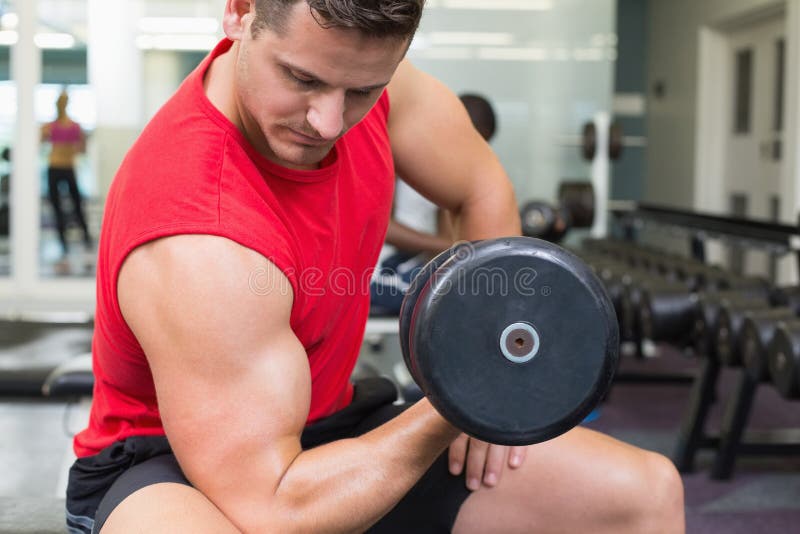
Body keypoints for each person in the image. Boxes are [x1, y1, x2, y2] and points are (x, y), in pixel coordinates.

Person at [66, 1, 685, 533]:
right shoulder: (198, 228)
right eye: (301, 78)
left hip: (333, 422)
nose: (328, 122)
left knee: (643, 494)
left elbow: (479, 186)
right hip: (170, 467)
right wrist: (469, 394)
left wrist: (493, 351)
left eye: (360, 91)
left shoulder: (379, 86)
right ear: (238, 12)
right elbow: (277, 509)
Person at [371, 93, 496, 316]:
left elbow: (448, 236)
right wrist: (450, 246)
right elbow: (382, 227)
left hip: (412, 267)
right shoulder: (401, 152)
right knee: (453, 300)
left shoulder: (447, 170)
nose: (476, 154)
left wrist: (459, 252)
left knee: (477, 290)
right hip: (380, 270)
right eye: (477, 142)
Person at [40, 89, 92, 255]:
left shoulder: (75, 127)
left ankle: (86, 238)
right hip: (54, 167)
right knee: (56, 206)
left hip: (68, 167)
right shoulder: (49, 127)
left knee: (77, 204)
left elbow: (82, 149)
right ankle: (63, 242)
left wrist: (70, 147)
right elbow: (39, 142)